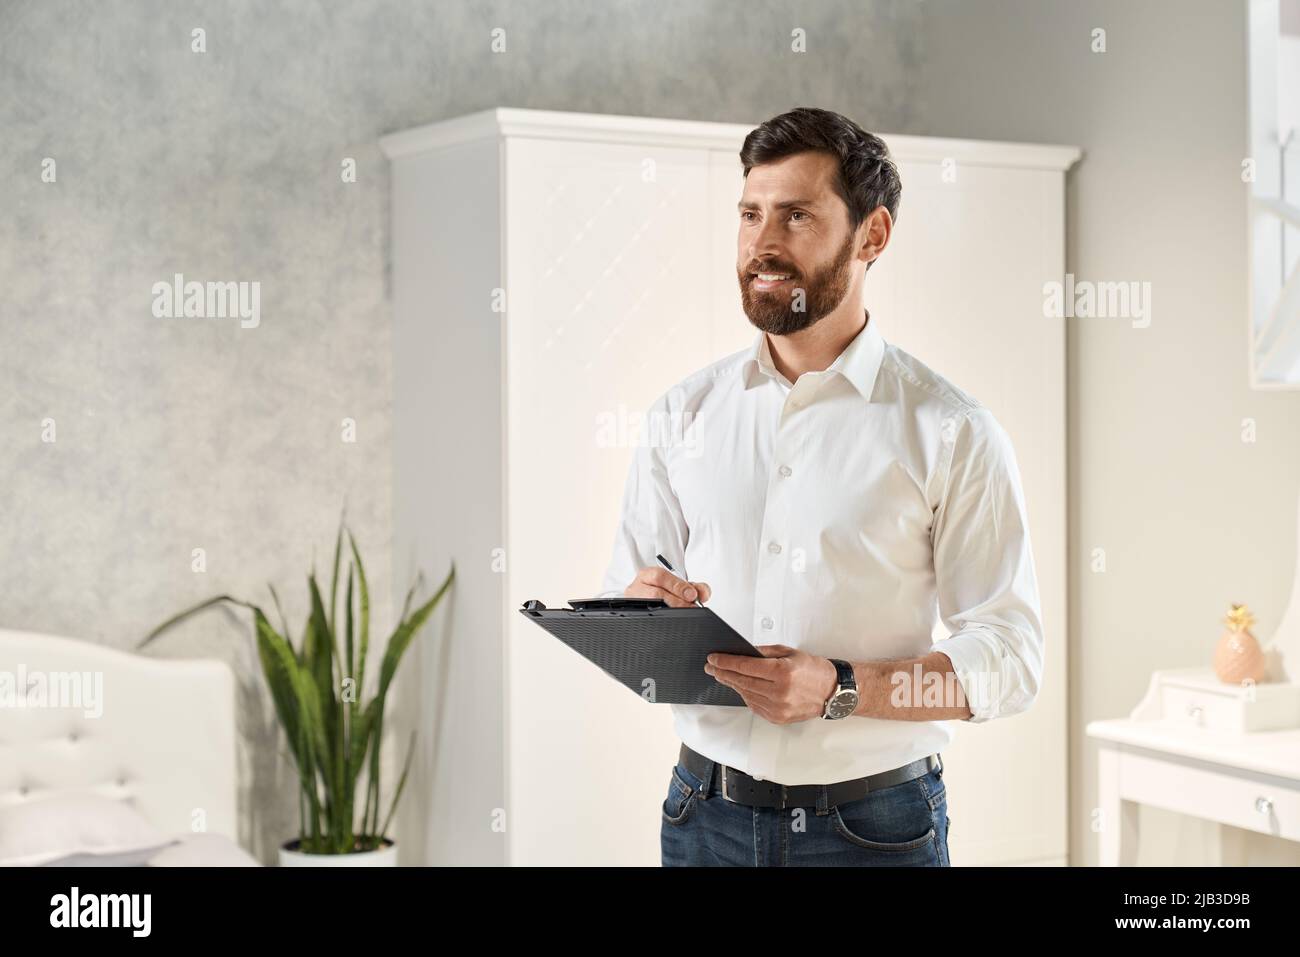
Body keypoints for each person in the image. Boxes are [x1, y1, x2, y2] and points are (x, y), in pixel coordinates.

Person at [599, 106, 1045, 867]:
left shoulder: (951, 428)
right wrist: (641, 613)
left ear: (871, 236)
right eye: (750, 214)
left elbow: (1011, 659)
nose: (762, 244)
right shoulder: (683, 414)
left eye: (796, 215)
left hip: (873, 830)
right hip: (700, 817)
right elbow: (626, 603)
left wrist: (840, 687)